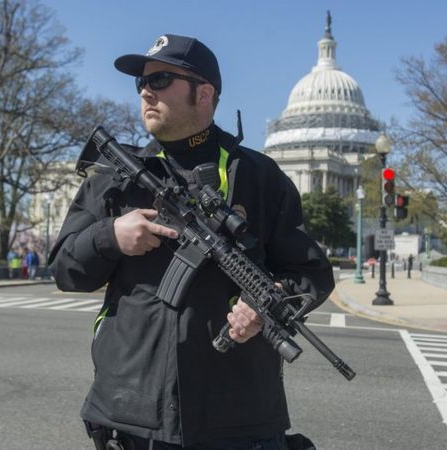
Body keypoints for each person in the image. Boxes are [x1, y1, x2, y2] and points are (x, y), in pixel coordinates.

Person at [49, 34, 333, 450]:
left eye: (161, 79)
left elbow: (312, 273)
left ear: (204, 93)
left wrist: (268, 300)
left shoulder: (260, 176)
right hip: (130, 415)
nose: (146, 90)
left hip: (238, 419)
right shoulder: (113, 179)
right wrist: (109, 236)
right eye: (141, 83)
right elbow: (64, 271)